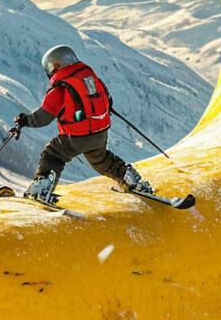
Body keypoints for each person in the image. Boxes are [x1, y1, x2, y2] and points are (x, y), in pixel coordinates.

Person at [12, 44, 152, 202]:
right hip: (100, 132)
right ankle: (131, 180)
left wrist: (25, 121)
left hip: (76, 136)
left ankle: (41, 189)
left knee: (52, 155)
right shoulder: (89, 78)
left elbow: (45, 116)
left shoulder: (61, 86)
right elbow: (106, 98)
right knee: (100, 159)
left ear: (56, 65)